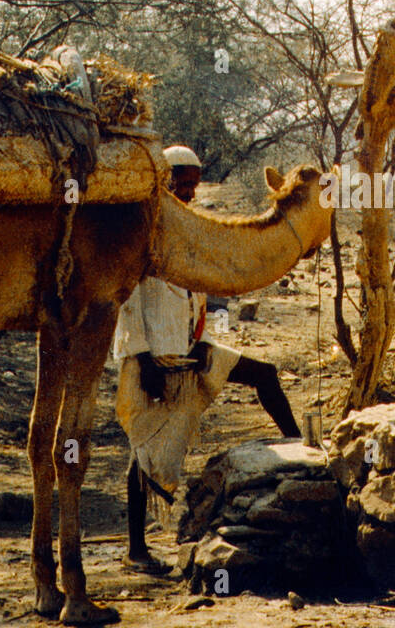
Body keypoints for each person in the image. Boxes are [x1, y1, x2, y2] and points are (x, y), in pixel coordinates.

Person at [111, 145, 301, 571]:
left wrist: (201, 339)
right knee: (143, 452)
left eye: (194, 185)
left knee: (264, 376)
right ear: (165, 180)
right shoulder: (145, 230)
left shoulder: (188, 230)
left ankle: (301, 449)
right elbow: (128, 302)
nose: (190, 193)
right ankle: (136, 551)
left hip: (191, 352)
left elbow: (198, 294)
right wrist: (142, 361)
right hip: (152, 362)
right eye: (183, 184)